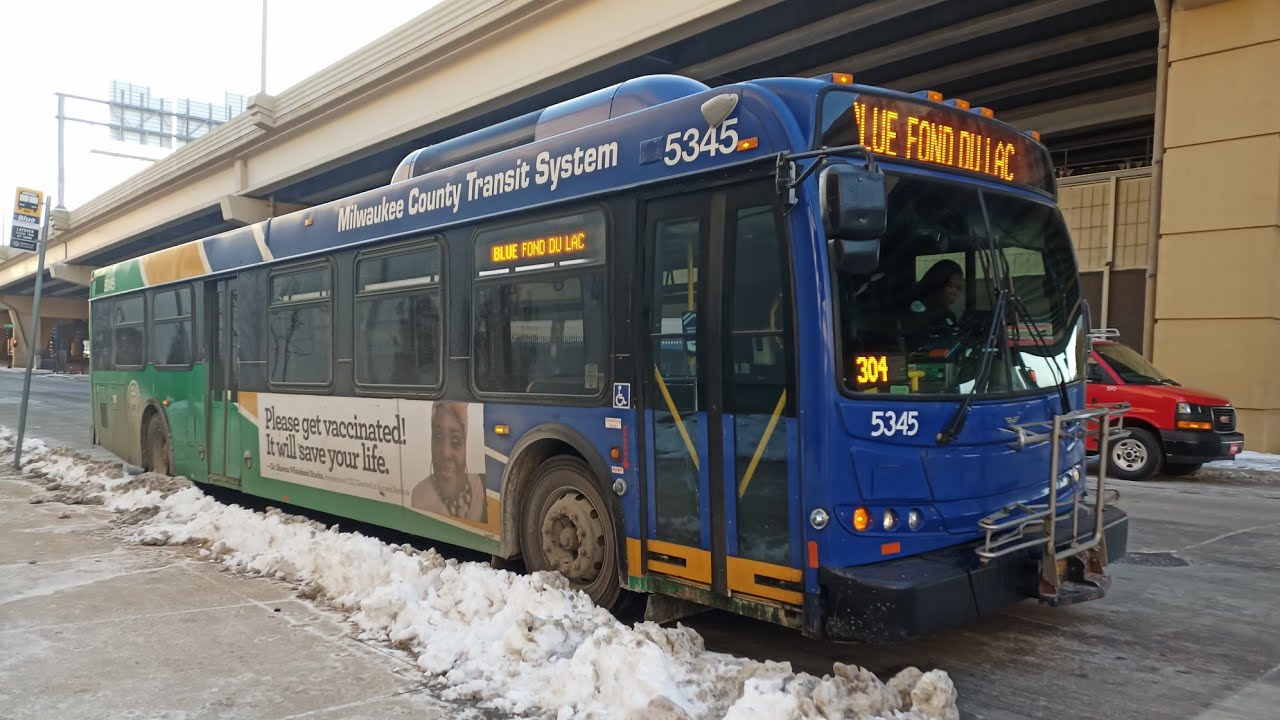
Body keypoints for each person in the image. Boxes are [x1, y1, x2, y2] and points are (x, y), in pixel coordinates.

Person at [410, 402, 488, 522]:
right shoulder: (419, 496)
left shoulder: (482, 488)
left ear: (465, 445)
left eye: (456, 441)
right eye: (438, 437)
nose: (446, 453)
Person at [903, 259, 964, 349]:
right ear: (936, 284)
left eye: (958, 288)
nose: (954, 292)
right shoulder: (916, 311)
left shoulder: (949, 316)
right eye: (950, 286)